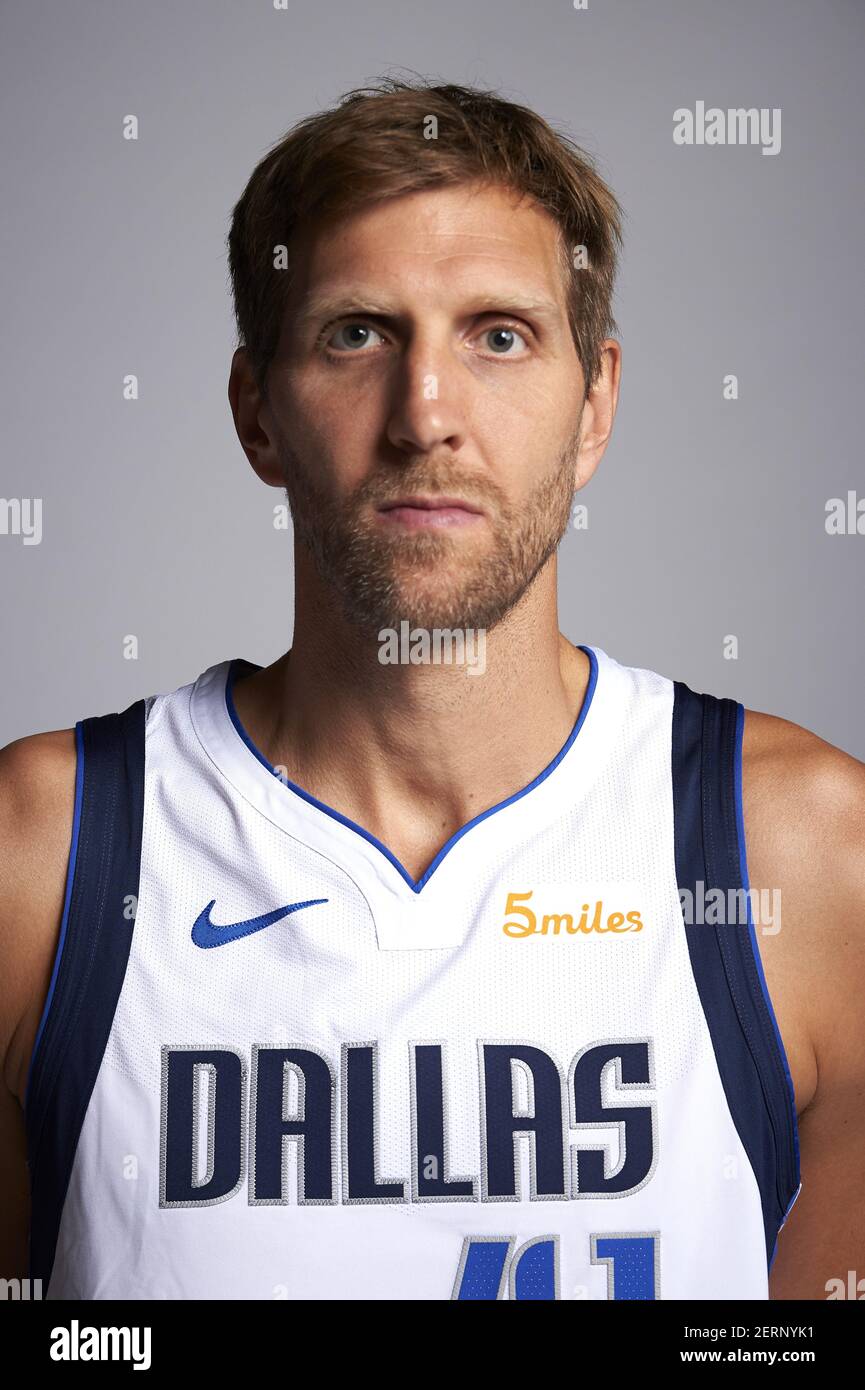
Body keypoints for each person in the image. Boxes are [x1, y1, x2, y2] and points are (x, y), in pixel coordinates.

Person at [1, 78, 863, 1301]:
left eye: (498, 336)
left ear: (595, 405)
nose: (427, 416)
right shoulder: (44, 858)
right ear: (257, 411)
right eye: (357, 333)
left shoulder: (810, 860)